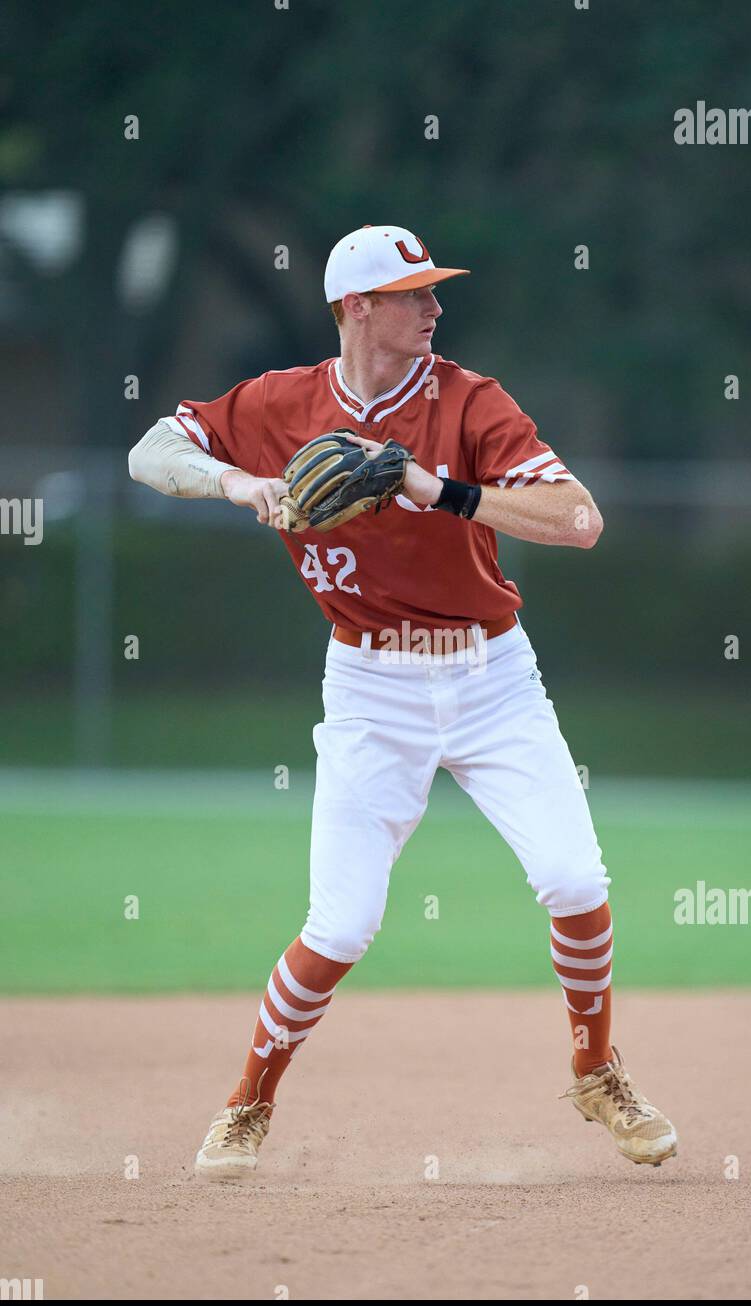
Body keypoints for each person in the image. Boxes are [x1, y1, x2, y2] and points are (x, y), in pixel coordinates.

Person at [128, 224, 677, 1179]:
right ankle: (247, 1102)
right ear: (355, 309)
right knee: (340, 925)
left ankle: (597, 1072)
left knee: (577, 882)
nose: (433, 305)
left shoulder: (469, 401)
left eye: (433, 289)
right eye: (412, 291)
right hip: (371, 684)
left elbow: (580, 520)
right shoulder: (279, 403)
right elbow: (149, 451)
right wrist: (240, 483)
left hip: (490, 674)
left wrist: (440, 490)